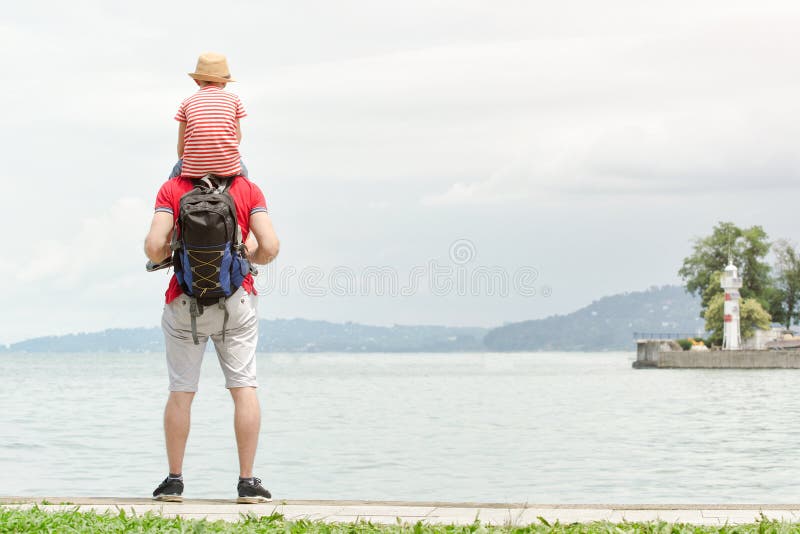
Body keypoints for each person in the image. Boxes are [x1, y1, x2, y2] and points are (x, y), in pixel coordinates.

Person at [144, 173, 279, 503]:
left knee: (181, 390)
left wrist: (179, 251)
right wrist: (243, 255)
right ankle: (247, 483)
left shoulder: (173, 188)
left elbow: (152, 247)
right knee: (243, 387)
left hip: (184, 303)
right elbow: (271, 247)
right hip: (236, 302)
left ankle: (174, 482)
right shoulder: (247, 189)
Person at [170, 52, 249, 179]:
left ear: (196, 81)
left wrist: (184, 160)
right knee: (248, 187)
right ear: (225, 82)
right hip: (229, 165)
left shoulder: (187, 102)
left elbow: (181, 145)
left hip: (193, 167)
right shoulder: (234, 100)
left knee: (169, 185)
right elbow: (238, 136)